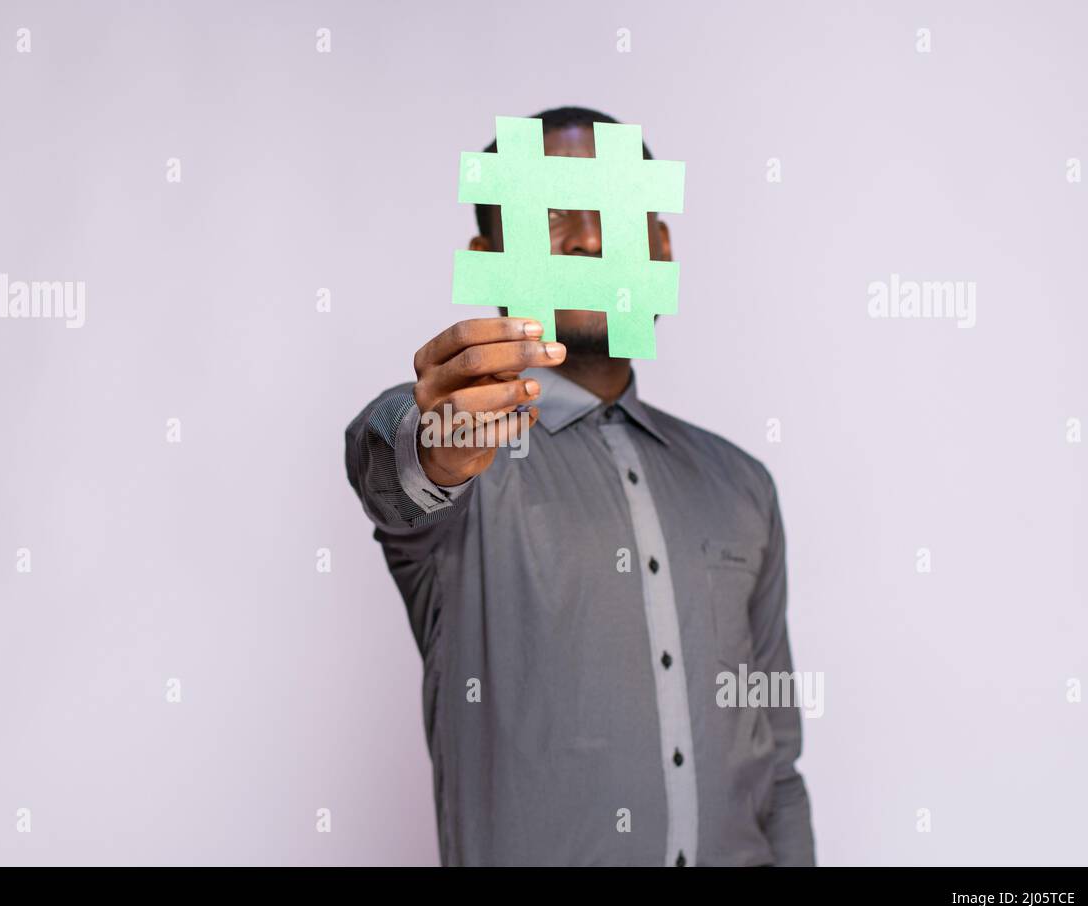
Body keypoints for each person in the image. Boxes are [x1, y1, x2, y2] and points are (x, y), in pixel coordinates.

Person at [345, 106, 815, 866]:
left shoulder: (743, 487)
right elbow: (386, 458)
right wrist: (425, 438)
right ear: (489, 255)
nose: (590, 238)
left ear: (659, 246)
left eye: (616, 212)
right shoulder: (466, 480)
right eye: (553, 214)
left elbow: (778, 764)